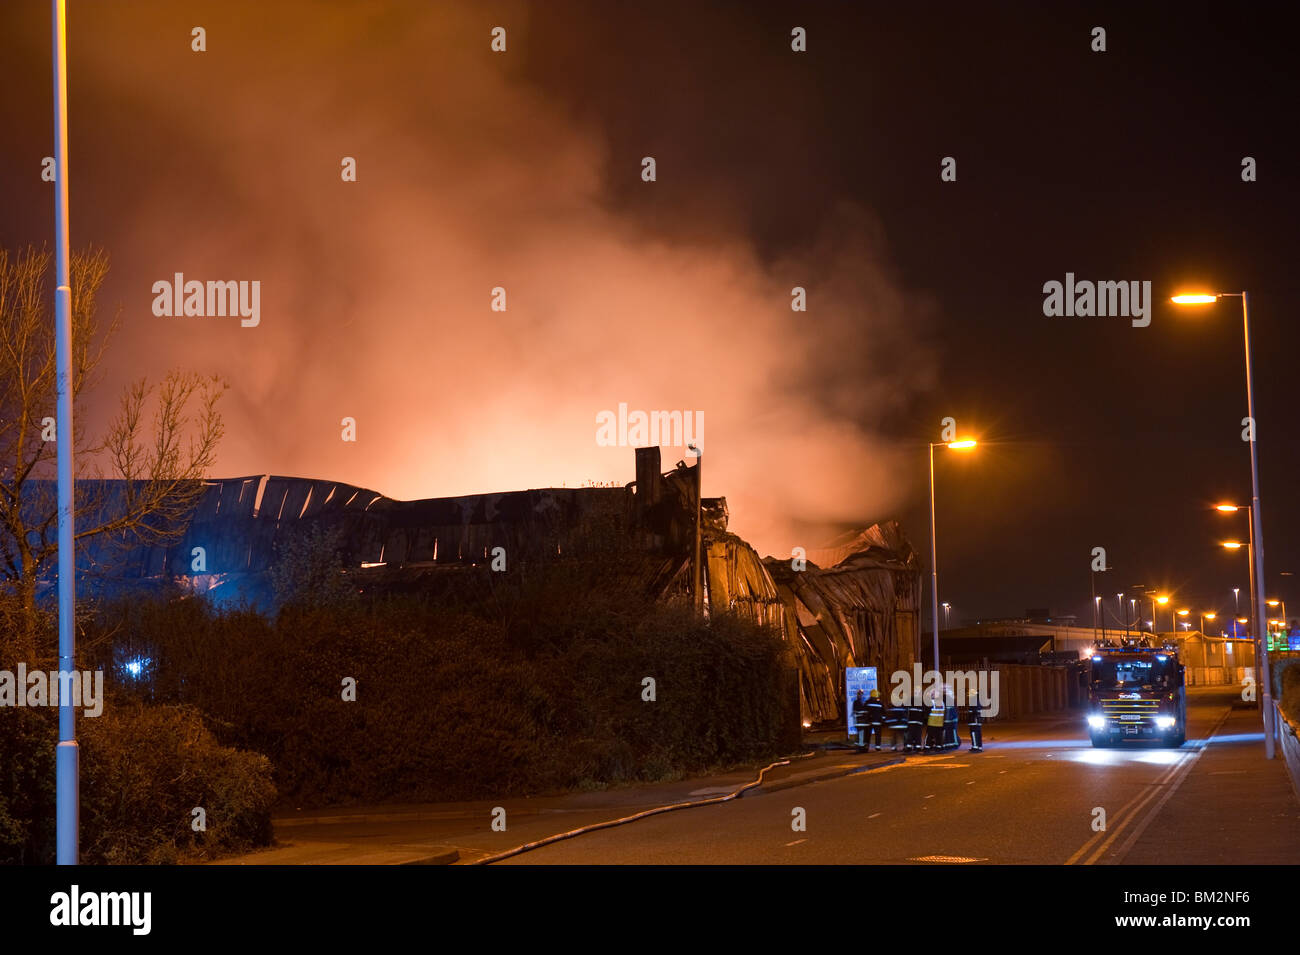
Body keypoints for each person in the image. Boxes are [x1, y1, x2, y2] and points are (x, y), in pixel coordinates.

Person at [967, 686, 985, 753]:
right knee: (978, 733)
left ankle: (975, 747)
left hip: (974, 720)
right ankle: (979, 747)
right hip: (977, 720)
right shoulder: (978, 699)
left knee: (974, 733)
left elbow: (974, 711)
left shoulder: (973, 700)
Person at [943, 686, 960, 751]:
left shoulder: (950, 698)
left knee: (952, 732)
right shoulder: (945, 698)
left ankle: (954, 744)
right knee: (948, 732)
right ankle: (949, 745)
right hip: (948, 718)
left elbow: (953, 709)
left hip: (951, 718)